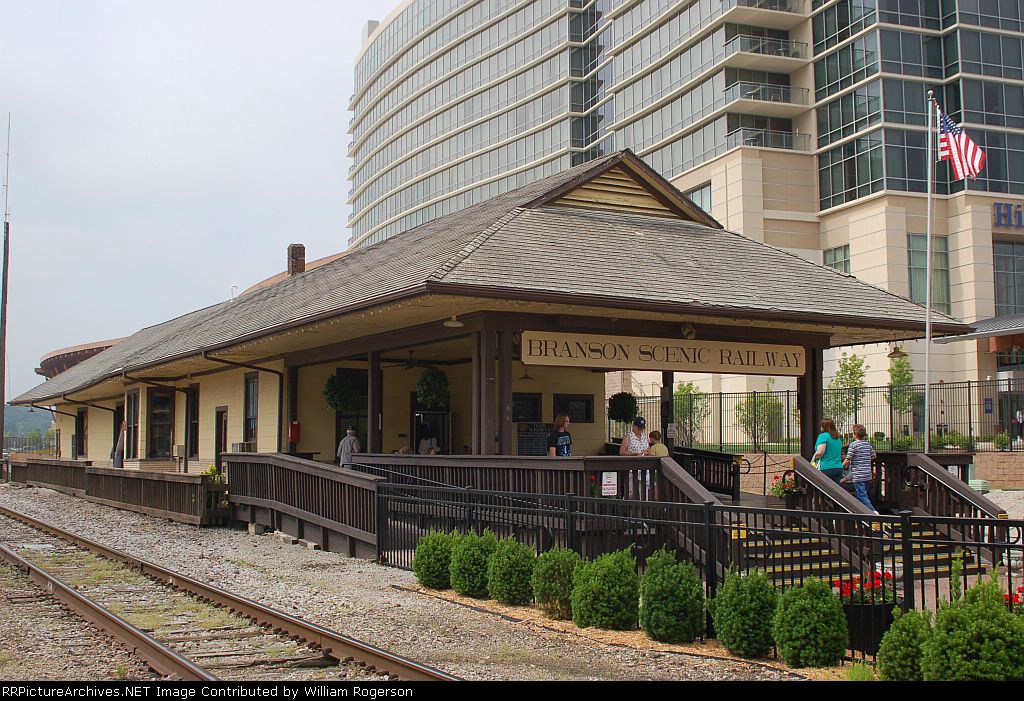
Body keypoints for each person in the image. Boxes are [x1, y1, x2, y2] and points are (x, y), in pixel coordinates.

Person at [844, 423, 878, 513]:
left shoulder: (853, 445)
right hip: (867, 474)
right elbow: (873, 456)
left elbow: (848, 459)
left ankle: (872, 512)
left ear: (854, 434)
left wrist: (841, 466)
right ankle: (862, 512)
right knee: (863, 494)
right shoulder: (867, 444)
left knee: (861, 495)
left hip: (858, 474)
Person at [812, 418, 844, 484]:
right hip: (838, 467)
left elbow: (820, 452)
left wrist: (814, 458)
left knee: (824, 490)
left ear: (824, 427)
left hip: (826, 467)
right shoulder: (837, 438)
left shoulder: (823, 436)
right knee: (836, 491)